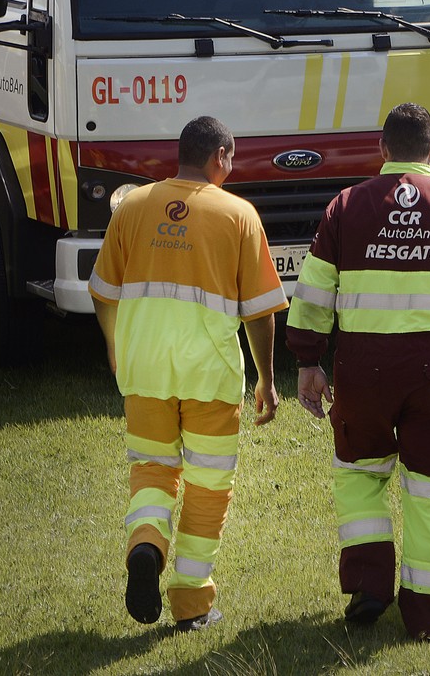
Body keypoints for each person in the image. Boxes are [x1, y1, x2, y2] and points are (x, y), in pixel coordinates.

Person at [287, 102, 430, 641]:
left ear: (382, 150)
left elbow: (314, 293)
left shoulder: (346, 206)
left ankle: (371, 587)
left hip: (361, 370)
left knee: (360, 474)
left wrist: (306, 361)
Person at [89, 115, 288, 632]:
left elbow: (102, 291)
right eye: (231, 158)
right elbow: (260, 311)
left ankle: (146, 547)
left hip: (144, 368)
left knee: (152, 470)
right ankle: (191, 602)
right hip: (211, 375)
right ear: (219, 156)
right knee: (207, 486)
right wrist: (267, 377)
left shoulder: (131, 206)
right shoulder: (239, 214)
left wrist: (116, 349)